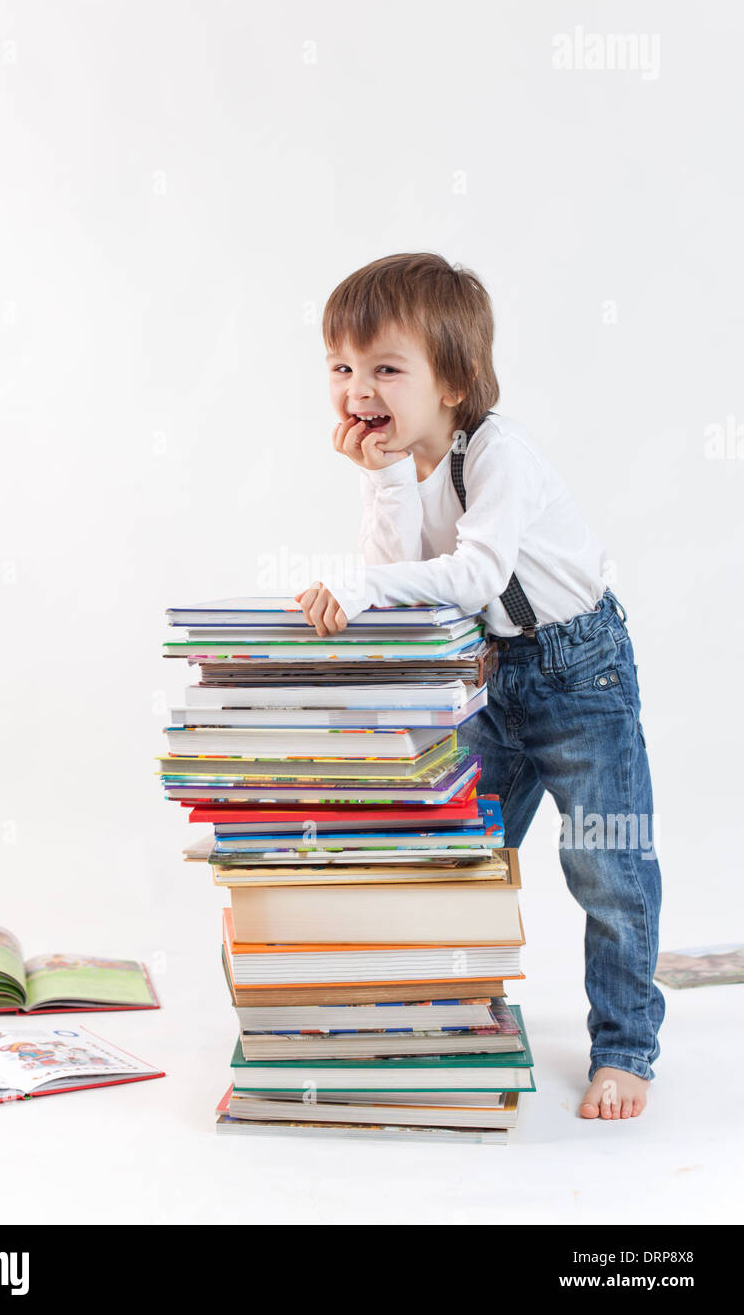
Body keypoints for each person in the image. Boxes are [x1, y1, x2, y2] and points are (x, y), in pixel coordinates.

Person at [294, 251, 663, 1121]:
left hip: (581, 672)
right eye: (342, 368)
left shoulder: (501, 452)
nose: (359, 389)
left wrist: (362, 585)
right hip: (495, 678)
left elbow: (472, 574)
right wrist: (380, 476)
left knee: (608, 865)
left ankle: (626, 1047)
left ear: (454, 380)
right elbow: (399, 574)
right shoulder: (416, 465)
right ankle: (452, 1017)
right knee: (454, 852)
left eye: (386, 368)